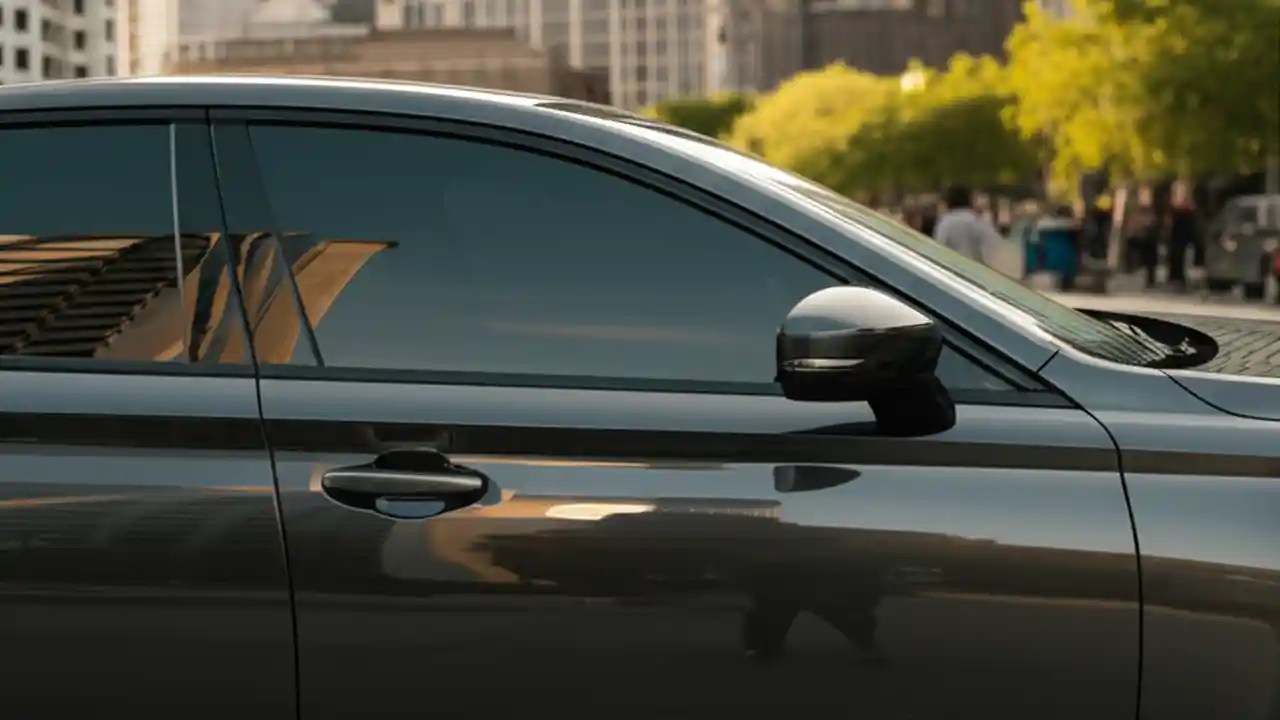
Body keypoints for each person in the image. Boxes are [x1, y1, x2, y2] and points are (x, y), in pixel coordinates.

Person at [933, 185, 1002, 263]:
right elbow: (996, 248)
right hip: (977, 272)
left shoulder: (946, 224)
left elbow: (939, 252)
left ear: (947, 202)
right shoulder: (980, 222)